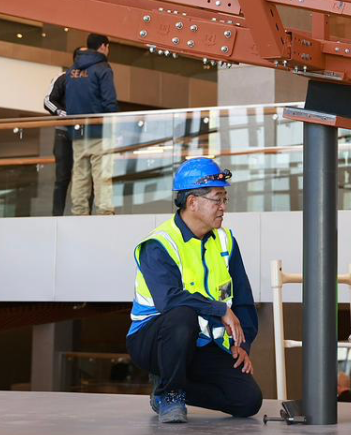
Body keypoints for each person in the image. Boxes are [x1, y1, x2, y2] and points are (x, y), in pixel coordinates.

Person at [126, 158, 262, 423]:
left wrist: (242, 344)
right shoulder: (159, 244)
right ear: (192, 202)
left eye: (225, 199)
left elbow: (244, 300)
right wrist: (219, 309)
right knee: (182, 313)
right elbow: (169, 300)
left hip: (199, 341)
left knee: (248, 400)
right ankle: (170, 393)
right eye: (217, 199)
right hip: (153, 340)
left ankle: (165, 387)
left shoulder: (225, 241)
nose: (223, 207)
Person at [65, 33, 118, 215]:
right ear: (103, 46)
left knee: (80, 175)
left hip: (78, 131)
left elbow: (69, 102)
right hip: (99, 131)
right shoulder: (103, 68)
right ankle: (104, 213)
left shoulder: (71, 71)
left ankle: (79, 213)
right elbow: (109, 102)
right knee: (102, 174)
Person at [43, 47, 83, 216]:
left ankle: (83, 213)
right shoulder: (63, 77)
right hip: (63, 133)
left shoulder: (90, 79)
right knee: (62, 177)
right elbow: (48, 100)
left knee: (83, 178)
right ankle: (56, 216)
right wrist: (63, 114)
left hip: (83, 134)